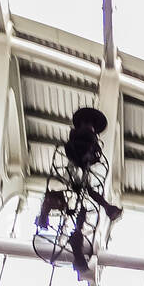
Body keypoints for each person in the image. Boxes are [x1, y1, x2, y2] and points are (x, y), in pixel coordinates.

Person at [37, 107, 122, 274]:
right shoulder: (72, 156)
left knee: (82, 208)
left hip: (78, 189)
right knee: (74, 202)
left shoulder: (86, 161)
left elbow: (89, 188)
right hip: (70, 188)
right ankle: (46, 216)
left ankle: (76, 248)